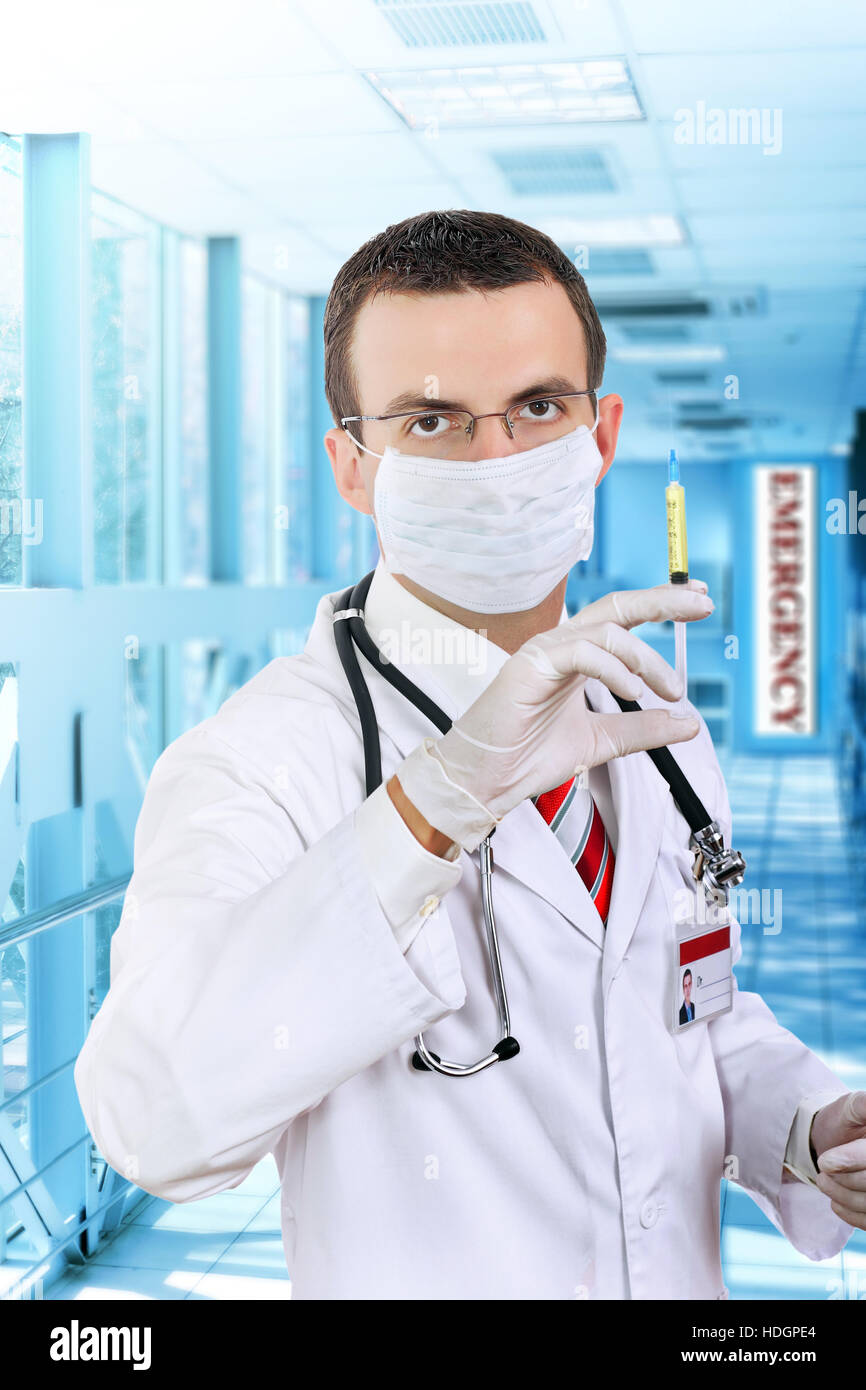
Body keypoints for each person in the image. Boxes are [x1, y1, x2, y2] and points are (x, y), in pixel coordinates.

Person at [74, 210, 866, 1301]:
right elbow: (150, 1119)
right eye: (433, 422)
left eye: (537, 407)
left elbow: (689, 1010)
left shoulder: (646, 722)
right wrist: (428, 810)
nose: (497, 460)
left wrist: (806, 1126)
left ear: (601, 434)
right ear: (352, 466)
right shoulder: (260, 761)